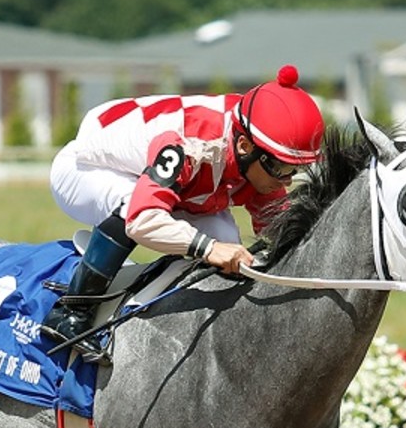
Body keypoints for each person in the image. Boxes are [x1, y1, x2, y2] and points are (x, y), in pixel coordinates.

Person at [44, 64, 325, 360]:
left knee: (228, 239)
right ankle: (72, 311)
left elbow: (280, 227)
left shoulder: (256, 146)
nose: (287, 181)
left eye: (295, 169)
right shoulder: (189, 145)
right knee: (134, 208)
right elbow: (143, 220)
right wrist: (210, 249)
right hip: (87, 168)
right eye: (280, 168)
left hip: (174, 187)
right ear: (244, 146)